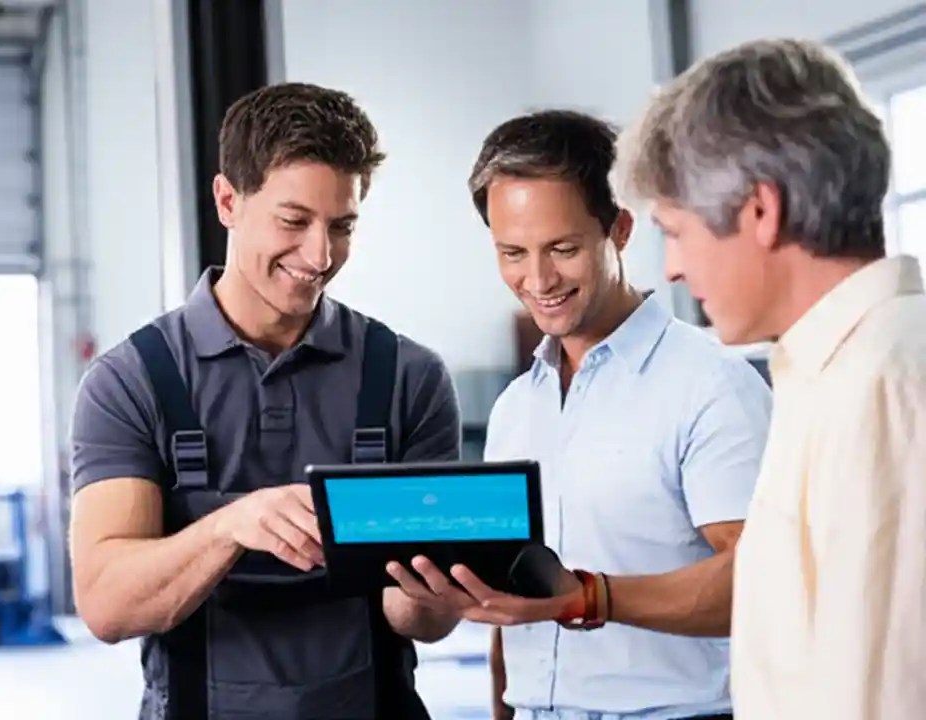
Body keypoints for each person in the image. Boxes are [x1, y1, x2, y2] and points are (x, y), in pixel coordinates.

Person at [67, 81, 462, 720]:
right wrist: (230, 525)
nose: (321, 255)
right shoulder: (131, 381)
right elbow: (108, 607)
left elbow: (423, 621)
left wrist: (436, 589)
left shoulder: (407, 378)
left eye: (342, 226)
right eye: (293, 221)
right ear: (227, 200)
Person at [384, 109, 773, 720]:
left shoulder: (711, 382)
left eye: (562, 249)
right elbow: (509, 620)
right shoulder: (517, 407)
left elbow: (765, 581)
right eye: (512, 252)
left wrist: (590, 598)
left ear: (618, 229)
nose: (537, 279)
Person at [612, 37, 926, 719]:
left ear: (760, 211)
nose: (670, 268)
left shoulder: (881, 386)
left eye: (675, 230)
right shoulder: (833, 371)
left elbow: (881, 697)